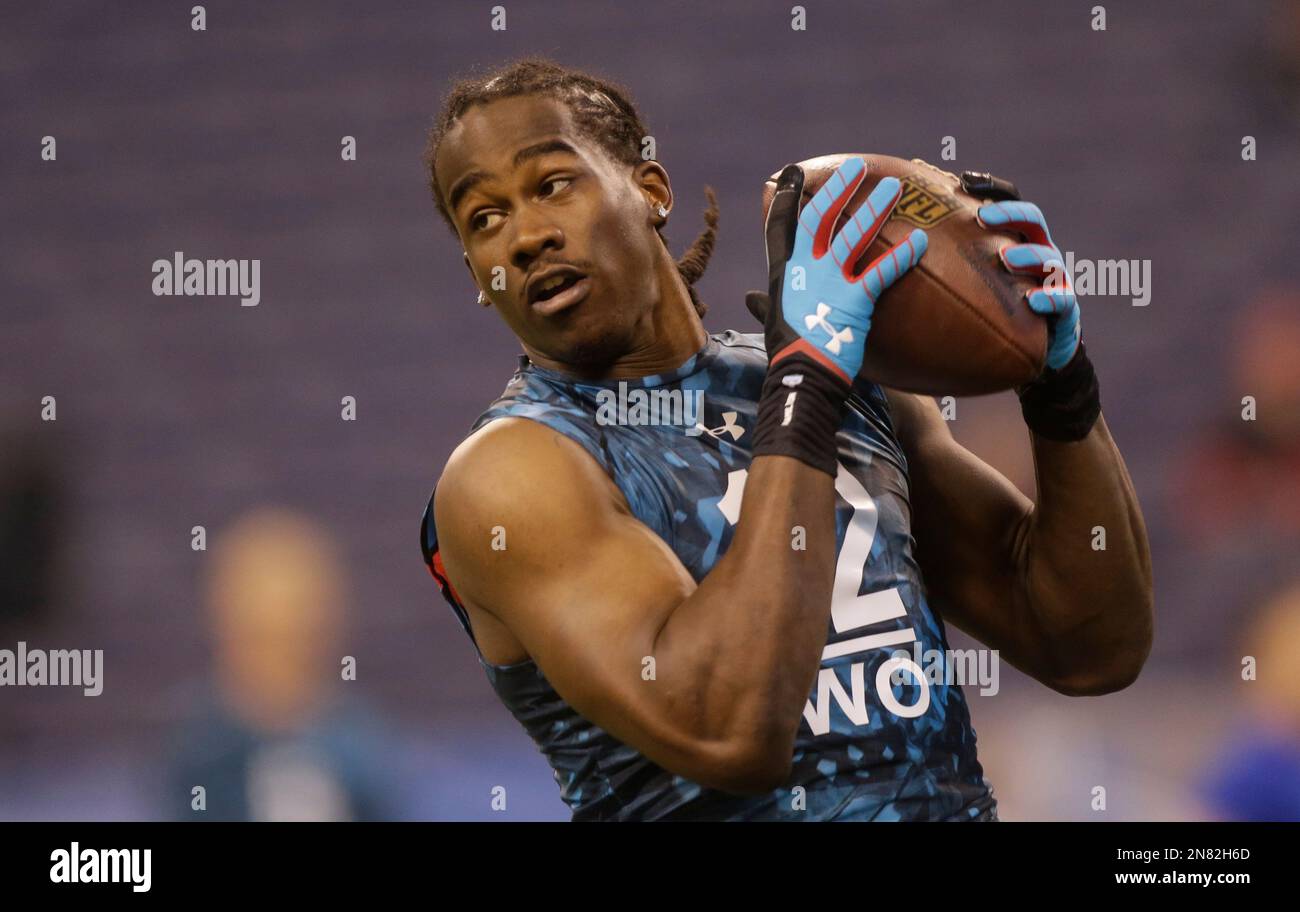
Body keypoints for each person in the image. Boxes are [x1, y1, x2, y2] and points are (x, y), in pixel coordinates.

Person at [418, 58, 1153, 820]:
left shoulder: (839, 383)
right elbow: (730, 731)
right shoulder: (511, 475)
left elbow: (1088, 646)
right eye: (485, 219)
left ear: (650, 190)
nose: (528, 236)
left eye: (552, 185)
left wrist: (1060, 387)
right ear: (478, 275)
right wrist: (806, 383)